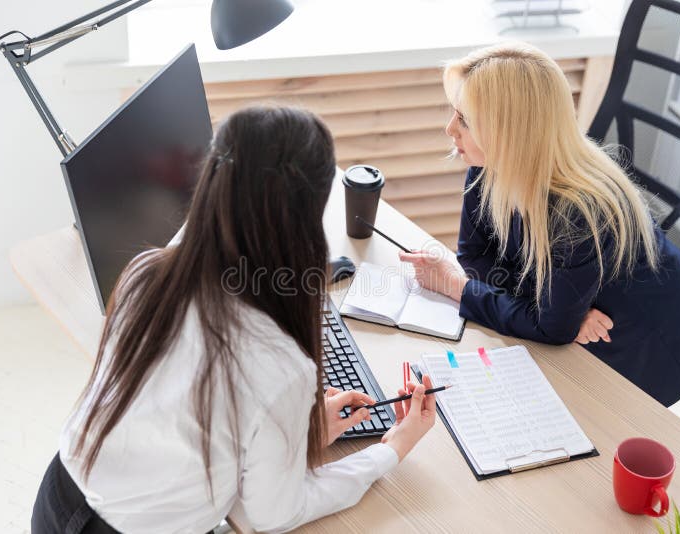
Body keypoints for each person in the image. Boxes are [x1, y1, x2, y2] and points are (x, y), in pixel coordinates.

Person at [31, 106, 436, 534]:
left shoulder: (145, 274)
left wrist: (296, 436)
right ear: (304, 226)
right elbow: (268, 514)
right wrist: (389, 451)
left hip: (58, 498)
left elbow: (184, 428)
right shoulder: (280, 366)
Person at [400, 43, 680, 407]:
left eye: (465, 120)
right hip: (584, 308)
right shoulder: (487, 169)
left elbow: (548, 329)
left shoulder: (577, 213)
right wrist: (553, 309)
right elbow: (474, 253)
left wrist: (457, 287)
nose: (449, 129)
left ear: (510, 134)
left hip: (658, 340)